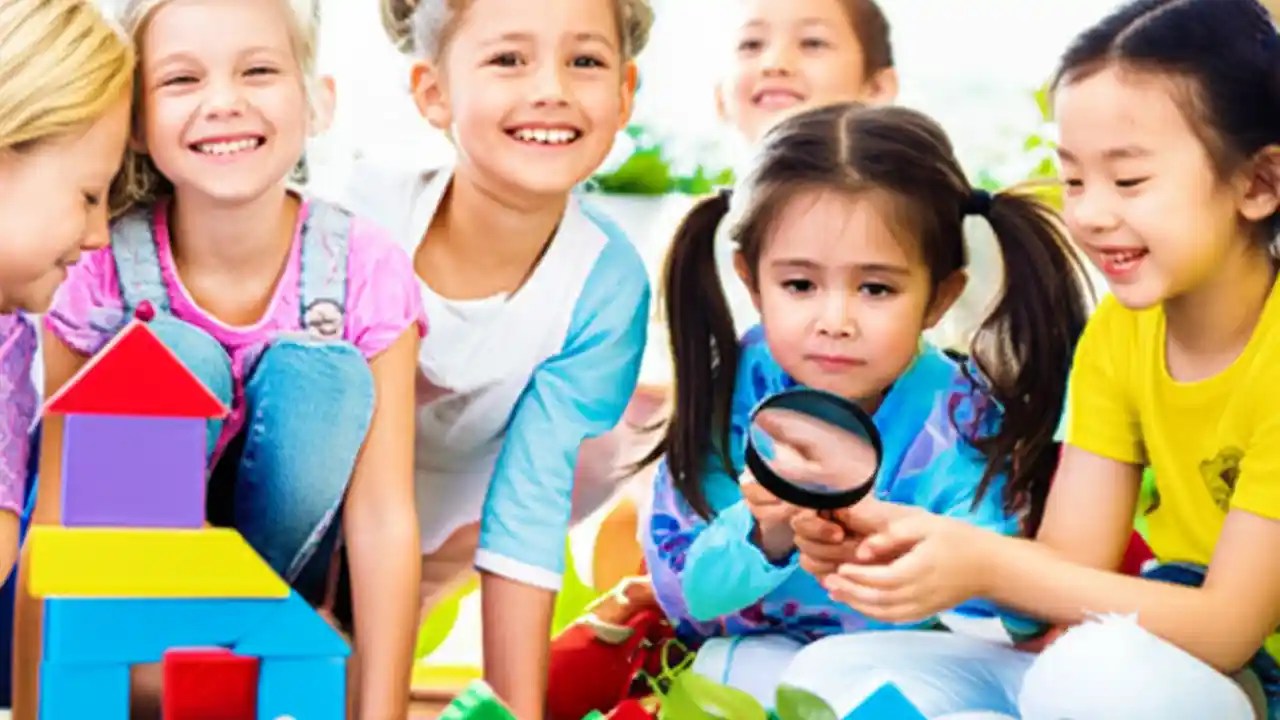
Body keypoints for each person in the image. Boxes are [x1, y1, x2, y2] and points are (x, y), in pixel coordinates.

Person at [784, 2, 1280, 718]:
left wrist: (984, 564)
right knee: (829, 671)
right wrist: (904, 542)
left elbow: (1230, 629)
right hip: (1140, 656)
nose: (1090, 214)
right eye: (1074, 180)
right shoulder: (1121, 332)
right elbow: (1070, 571)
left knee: (1089, 674)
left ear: (1259, 183)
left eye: (1129, 180)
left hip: (1240, 676)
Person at [18, 0, 426, 717]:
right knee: (169, 355)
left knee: (320, 376)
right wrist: (31, 705)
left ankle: (247, 647)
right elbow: (57, 514)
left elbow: (384, 520)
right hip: (131, 615)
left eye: (259, 70)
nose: (225, 103)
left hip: (279, 616)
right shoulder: (94, 261)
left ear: (318, 99)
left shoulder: (365, 268)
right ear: (135, 123)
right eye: (182, 80)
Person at [639, 101, 1093, 709]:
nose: (835, 321)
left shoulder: (960, 418)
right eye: (799, 285)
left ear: (938, 297)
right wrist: (765, 528)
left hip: (911, 666)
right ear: (751, 281)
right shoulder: (729, 396)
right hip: (762, 657)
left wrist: (890, 549)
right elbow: (694, 594)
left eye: (876, 288)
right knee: (727, 672)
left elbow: (1001, 607)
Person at [352, 1, 653, 715]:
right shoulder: (363, 217)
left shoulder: (607, 281)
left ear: (625, 92)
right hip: (328, 483)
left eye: (584, 61)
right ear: (434, 92)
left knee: (605, 440)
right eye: (509, 59)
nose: (550, 88)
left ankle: (396, 619)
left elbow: (532, 500)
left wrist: (516, 709)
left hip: (460, 492)